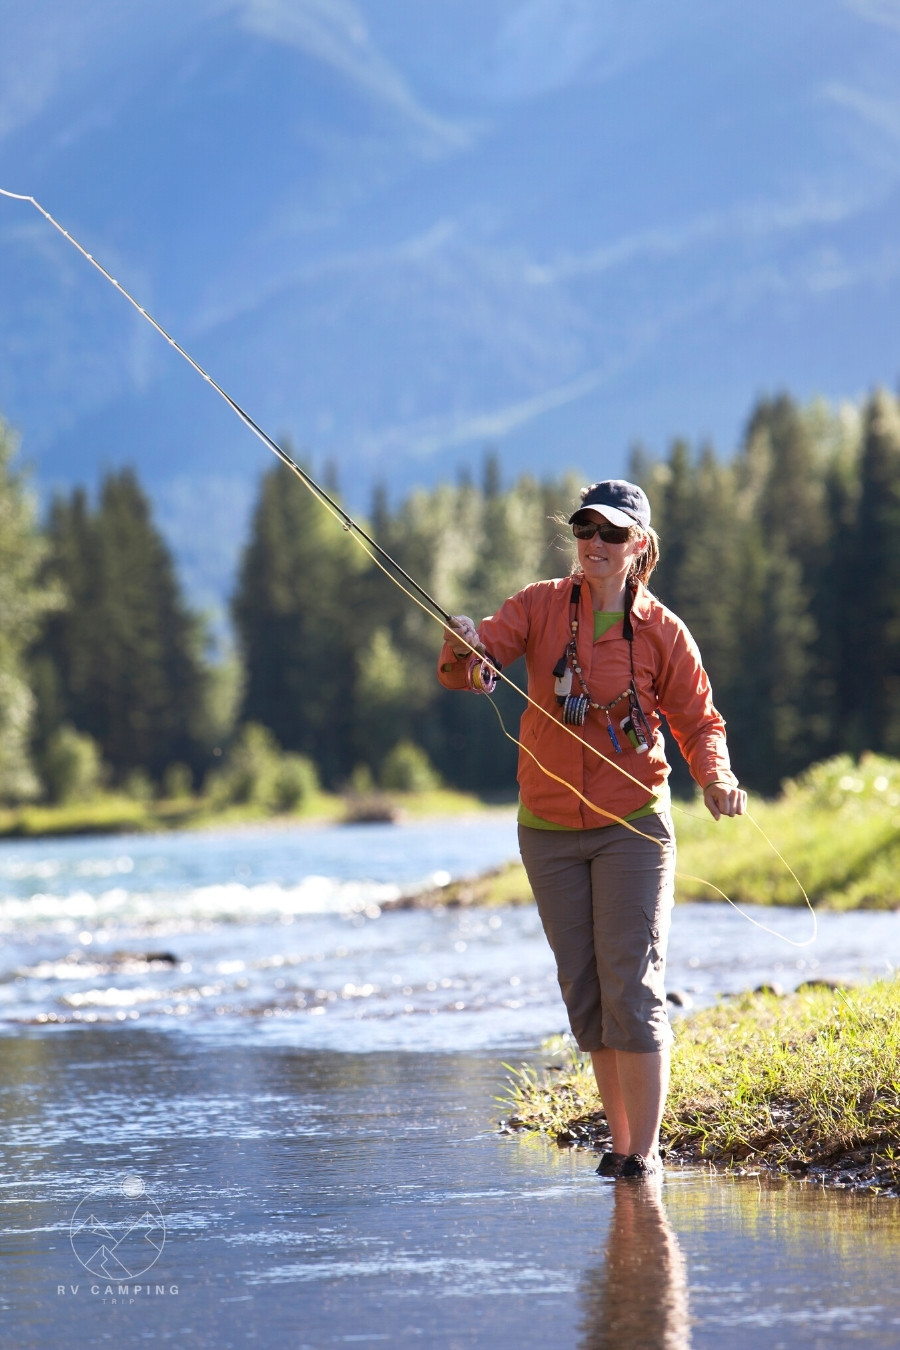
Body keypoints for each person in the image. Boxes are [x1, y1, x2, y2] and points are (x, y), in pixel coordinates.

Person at [438, 479, 745, 1179]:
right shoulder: (539, 605)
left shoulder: (664, 631)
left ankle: (645, 1152)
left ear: (640, 545)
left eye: (611, 534)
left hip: (634, 825)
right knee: (586, 992)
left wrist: (717, 780)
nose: (595, 545)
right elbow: (474, 667)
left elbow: (700, 723)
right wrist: (464, 643)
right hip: (545, 827)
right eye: (585, 531)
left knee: (631, 986)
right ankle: (620, 1139)